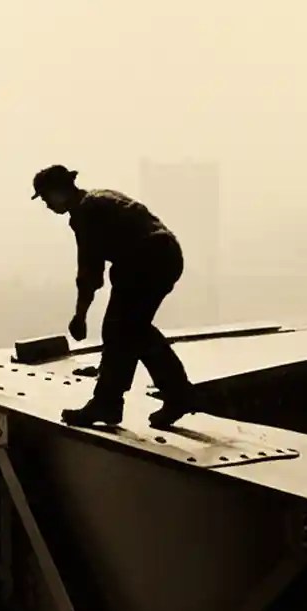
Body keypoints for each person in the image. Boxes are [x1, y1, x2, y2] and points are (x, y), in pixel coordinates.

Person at [31, 164, 197, 429]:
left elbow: (89, 272)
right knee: (135, 330)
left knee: (119, 329)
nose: (47, 206)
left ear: (59, 191)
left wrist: (80, 316)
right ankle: (177, 394)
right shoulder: (99, 199)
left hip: (146, 260)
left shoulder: (85, 213)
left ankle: (108, 402)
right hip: (163, 255)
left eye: (46, 197)